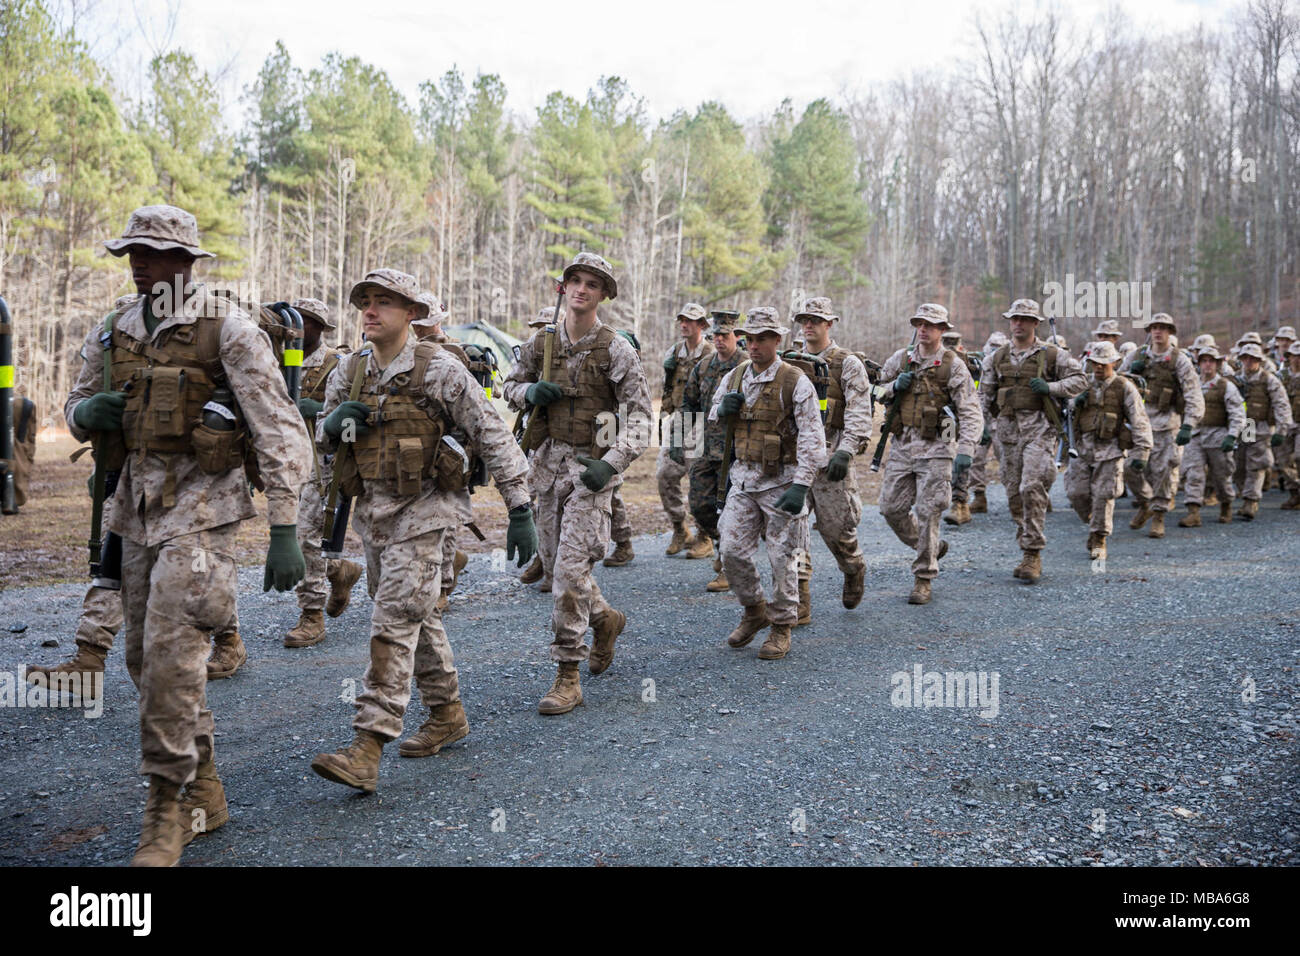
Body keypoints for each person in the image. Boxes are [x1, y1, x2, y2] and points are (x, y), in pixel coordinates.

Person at [65, 204, 311, 865]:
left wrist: (284, 525)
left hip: (204, 512)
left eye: (152, 251)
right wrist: (87, 411)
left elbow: (280, 428)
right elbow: (76, 404)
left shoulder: (226, 328)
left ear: (185, 261)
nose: (138, 262)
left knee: (173, 658)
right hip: (136, 509)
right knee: (145, 662)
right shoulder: (114, 330)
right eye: (131, 252)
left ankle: (164, 811)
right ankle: (205, 785)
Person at [311, 269, 537, 791]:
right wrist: (333, 424)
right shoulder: (350, 370)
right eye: (364, 302)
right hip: (374, 510)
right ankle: (447, 713)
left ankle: (367, 746)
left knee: (392, 619)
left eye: (383, 302)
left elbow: (491, 432)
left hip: (429, 509)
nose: (369, 311)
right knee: (416, 614)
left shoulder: (440, 370)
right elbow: (326, 444)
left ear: (410, 313)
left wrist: (519, 507)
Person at [502, 253, 652, 713]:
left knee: (568, 575)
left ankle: (568, 674)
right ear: (562, 288)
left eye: (592, 284)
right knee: (555, 569)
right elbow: (507, 385)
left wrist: (612, 463)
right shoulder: (541, 343)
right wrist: (529, 392)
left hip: (591, 471)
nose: (582, 289)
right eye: (575, 281)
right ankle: (605, 619)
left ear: (603, 294)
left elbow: (642, 418)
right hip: (547, 469)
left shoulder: (615, 349)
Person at [710, 307, 826, 658]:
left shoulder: (794, 381)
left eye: (763, 338)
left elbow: (812, 438)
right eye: (751, 338)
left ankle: (781, 625)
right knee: (730, 550)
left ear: (778, 339)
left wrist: (802, 486)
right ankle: (754, 609)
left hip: (783, 482)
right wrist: (722, 410)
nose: (755, 345)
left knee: (785, 558)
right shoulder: (734, 377)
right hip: (744, 481)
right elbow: (713, 415)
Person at [876, 304, 981, 604]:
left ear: (942, 330)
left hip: (938, 445)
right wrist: (894, 386)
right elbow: (874, 391)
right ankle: (931, 546)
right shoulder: (901, 359)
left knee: (929, 511)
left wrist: (966, 449)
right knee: (890, 508)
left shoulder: (952, 364)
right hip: (903, 444)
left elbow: (969, 410)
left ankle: (923, 576)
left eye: (931, 325)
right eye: (920, 323)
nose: (924, 329)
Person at [979, 298, 1086, 583]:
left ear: (1035, 323)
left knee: (1031, 486)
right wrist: (980, 427)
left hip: (1039, 430)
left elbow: (1080, 380)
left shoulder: (1052, 355)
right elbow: (984, 395)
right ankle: (1024, 540)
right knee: (1014, 492)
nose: (1018, 324)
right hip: (1007, 434)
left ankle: (1032, 552)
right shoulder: (997, 357)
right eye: (1014, 319)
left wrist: (1051, 387)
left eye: (1024, 319)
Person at [285, 297, 363, 647]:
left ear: (320, 327)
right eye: (295, 320)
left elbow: (350, 423)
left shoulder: (337, 364)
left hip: (323, 465)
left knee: (305, 538)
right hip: (286, 462)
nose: (298, 328)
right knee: (290, 536)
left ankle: (311, 614)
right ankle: (338, 570)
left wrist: (320, 413)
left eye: (307, 321)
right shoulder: (282, 360)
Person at [793, 297, 873, 608]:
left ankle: (853, 568)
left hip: (832, 460)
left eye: (815, 320)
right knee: (791, 531)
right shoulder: (791, 363)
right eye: (804, 320)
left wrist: (847, 450)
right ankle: (798, 597)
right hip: (797, 460)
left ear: (829, 324)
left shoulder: (847, 364)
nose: (808, 326)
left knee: (837, 530)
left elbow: (859, 412)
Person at [1064, 341, 1152, 560]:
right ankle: (1094, 522)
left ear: (1115, 362)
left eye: (1104, 363)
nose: (1099, 367)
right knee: (1076, 493)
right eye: (1095, 363)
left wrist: (1142, 451)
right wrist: (1076, 403)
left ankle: (1098, 539)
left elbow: (1139, 419)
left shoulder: (1124, 387)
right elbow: (1063, 410)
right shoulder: (1082, 384)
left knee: (1104, 495)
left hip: (1110, 449)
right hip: (1083, 447)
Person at [1118, 313, 1203, 539]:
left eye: (1163, 328)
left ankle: (1158, 516)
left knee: (1163, 472)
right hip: (1140, 423)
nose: (1158, 332)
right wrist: (1128, 374)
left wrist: (1189, 424)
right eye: (1154, 327)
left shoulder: (1179, 360)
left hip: (1168, 424)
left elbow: (1193, 393)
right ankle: (1146, 503)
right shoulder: (1138, 355)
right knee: (1130, 468)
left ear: (1170, 332)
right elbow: (1114, 382)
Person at [683, 310, 746, 592]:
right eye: (715, 335)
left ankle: (730, 565)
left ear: (736, 336)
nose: (719, 340)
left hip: (738, 452)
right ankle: (721, 545)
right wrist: (680, 442)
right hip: (708, 449)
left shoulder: (747, 365)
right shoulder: (704, 366)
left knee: (732, 511)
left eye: (725, 335)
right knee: (699, 503)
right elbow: (689, 405)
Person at [659, 302, 713, 556]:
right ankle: (680, 528)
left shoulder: (712, 353)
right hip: (678, 421)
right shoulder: (674, 353)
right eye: (681, 319)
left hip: (702, 423)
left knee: (699, 480)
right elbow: (667, 388)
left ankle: (705, 535)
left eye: (690, 320)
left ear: (702, 325)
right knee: (665, 475)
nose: (684, 324)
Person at [1177, 346, 1246, 527]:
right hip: (1195, 435)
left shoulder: (1226, 386)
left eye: (1211, 361)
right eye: (1204, 361)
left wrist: (1232, 436)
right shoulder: (1192, 385)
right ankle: (1193, 511)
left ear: (1217, 364)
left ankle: (1226, 504)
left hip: (1218, 436)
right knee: (1193, 473)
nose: (1208, 365)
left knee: (1221, 475)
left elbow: (1237, 413)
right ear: (1199, 364)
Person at [1232, 342, 1292, 519]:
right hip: (1244, 426)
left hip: (1261, 425)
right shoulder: (1236, 380)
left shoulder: (1269, 380)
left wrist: (1281, 430)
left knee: (1256, 464)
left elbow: (1282, 405)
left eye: (1253, 359)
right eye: (1246, 358)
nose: (1249, 362)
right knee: (1240, 465)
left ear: (1259, 360)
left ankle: (1251, 501)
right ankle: (1246, 495)